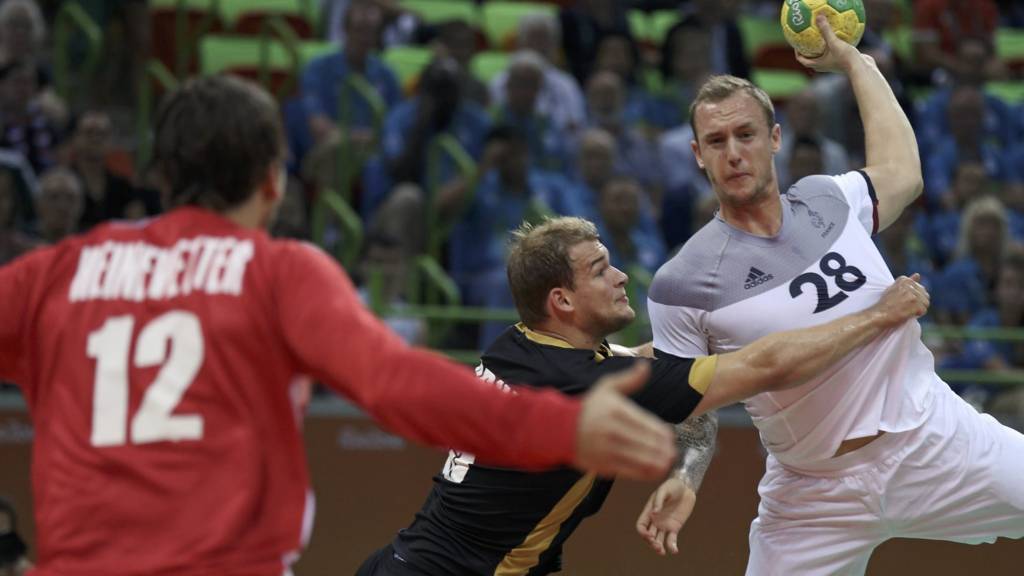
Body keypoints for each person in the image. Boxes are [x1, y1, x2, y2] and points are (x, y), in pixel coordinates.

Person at [0, 75, 681, 576]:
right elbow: (395, 384)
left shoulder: (52, 274)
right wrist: (559, 425)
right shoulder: (275, 272)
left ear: (162, 172)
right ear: (273, 181)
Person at [638, 17, 1024, 573]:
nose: (734, 153)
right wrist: (686, 475)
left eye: (746, 135)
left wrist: (856, 63)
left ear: (775, 140)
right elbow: (691, 402)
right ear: (698, 155)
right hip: (812, 495)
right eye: (717, 142)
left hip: (933, 439)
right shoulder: (681, 282)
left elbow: (902, 172)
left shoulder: (827, 198)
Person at [357, 216, 928, 576]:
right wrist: (879, 315)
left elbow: (639, 358)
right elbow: (766, 366)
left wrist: (714, 323)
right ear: (561, 301)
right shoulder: (592, 383)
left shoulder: (519, 346)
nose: (622, 276)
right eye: (601, 270)